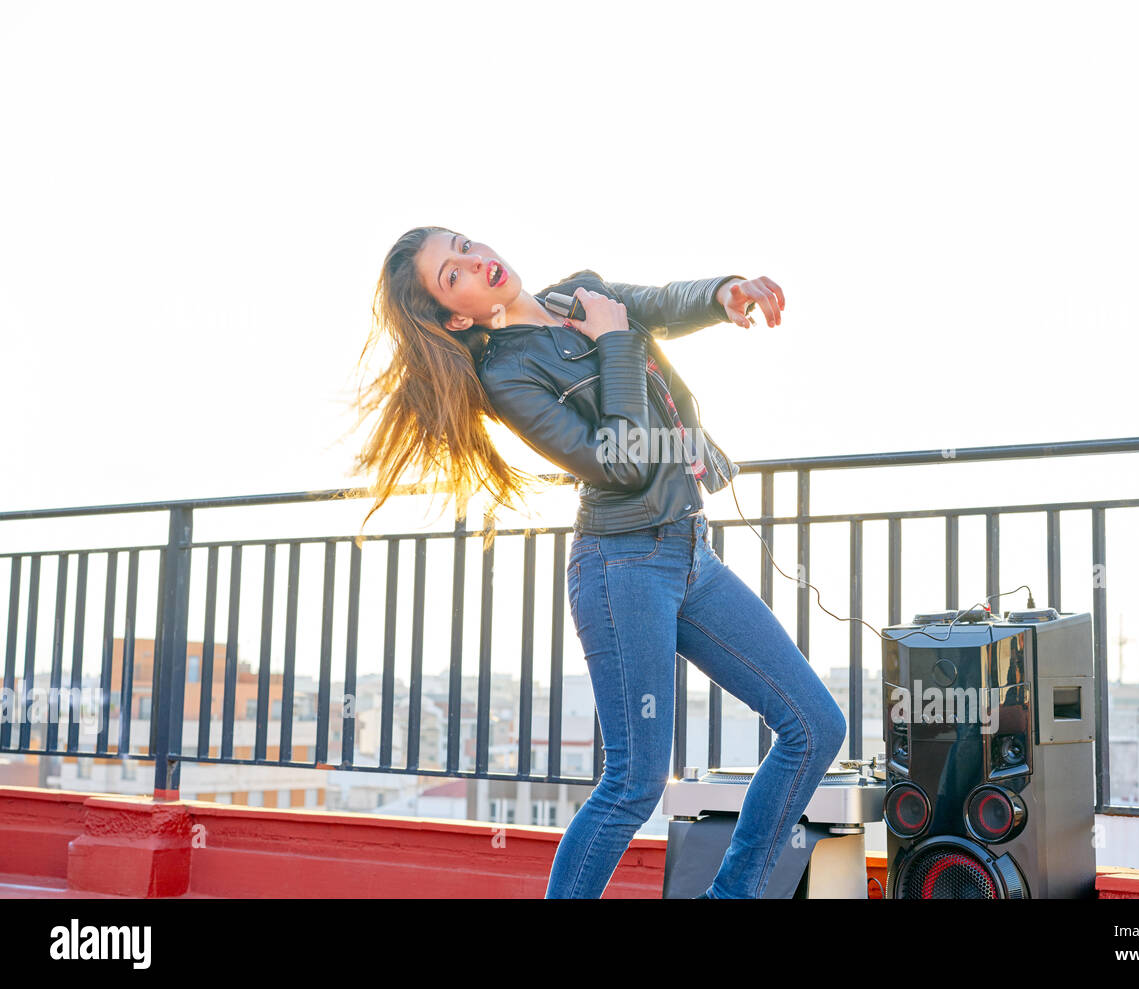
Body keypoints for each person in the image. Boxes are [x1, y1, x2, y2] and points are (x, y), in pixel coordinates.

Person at [352, 225, 847, 898]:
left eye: (465, 245)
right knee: (635, 782)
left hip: (688, 550)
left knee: (815, 724)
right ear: (458, 314)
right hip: (621, 568)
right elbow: (620, 460)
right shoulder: (508, 375)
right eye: (453, 273)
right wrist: (614, 342)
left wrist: (724, 293)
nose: (477, 259)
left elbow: (663, 305)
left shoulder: (581, 291)